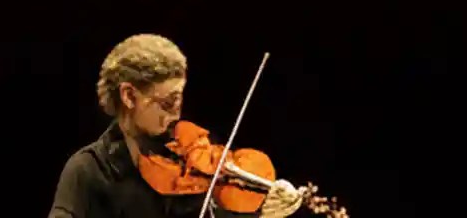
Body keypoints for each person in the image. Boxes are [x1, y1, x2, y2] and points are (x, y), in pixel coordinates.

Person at [49, 34, 305, 218]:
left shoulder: (188, 167)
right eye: (168, 102)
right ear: (129, 96)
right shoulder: (87, 169)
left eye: (180, 98)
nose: (177, 114)